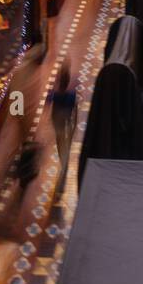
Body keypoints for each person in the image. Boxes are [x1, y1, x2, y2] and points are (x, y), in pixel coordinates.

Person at [50, 61, 77, 194]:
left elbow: (49, 104)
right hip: (66, 124)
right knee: (64, 146)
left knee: (61, 146)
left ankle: (63, 168)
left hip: (58, 125)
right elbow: (74, 111)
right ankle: (64, 167)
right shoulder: (71, 95)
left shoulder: (55, 94)